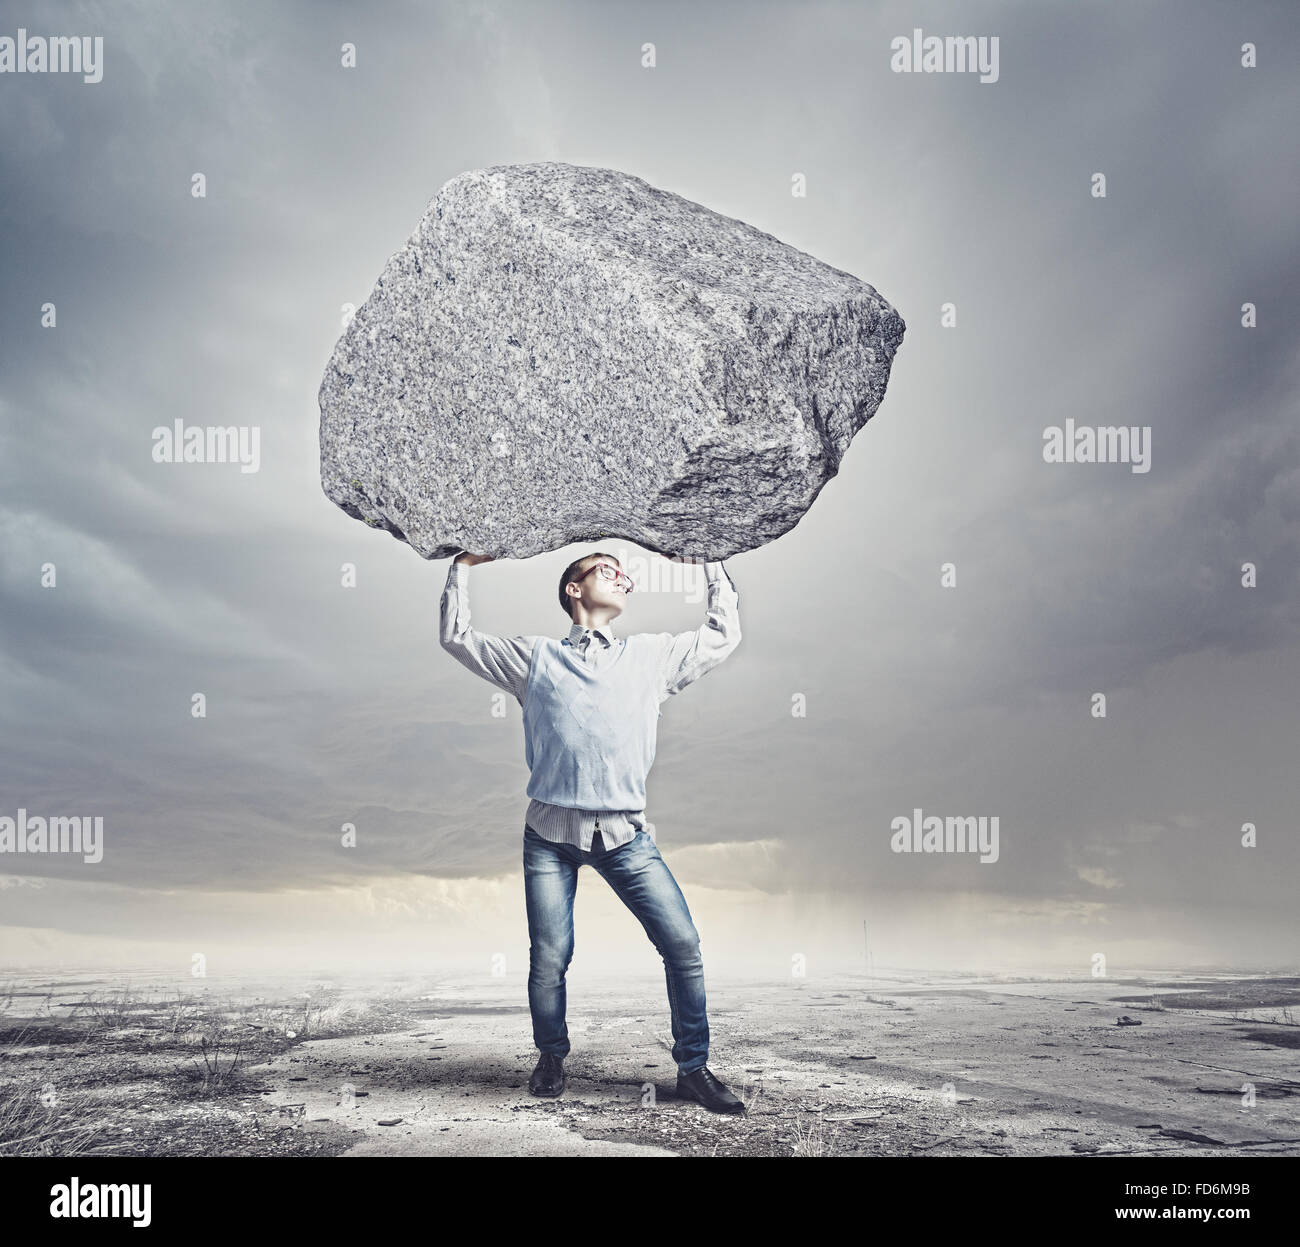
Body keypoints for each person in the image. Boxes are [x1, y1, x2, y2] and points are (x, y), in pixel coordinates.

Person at [439, 548, 746, 1113]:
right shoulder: (534, 658)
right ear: (573, 590)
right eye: (607, 570)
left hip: (626, 837)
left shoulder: (651, 658)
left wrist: (711, 561)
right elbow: (458, 636)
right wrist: (461, 565)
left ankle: (694, 1070)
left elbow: (722, 634)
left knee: (683, 945)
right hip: (549, 837)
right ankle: (551, 1057)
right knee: (550, 957)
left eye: (624, 573)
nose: (623, 577)